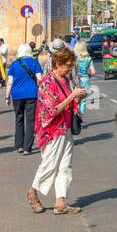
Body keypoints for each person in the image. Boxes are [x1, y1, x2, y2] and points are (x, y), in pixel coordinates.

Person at [27, 47, 87, 215]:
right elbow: (51, 111)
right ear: (57, 64)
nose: (69, 69)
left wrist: (77, 97)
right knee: (50, 164)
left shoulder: (65, 80)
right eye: (67, 65)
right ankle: (33, 191)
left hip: (65, 127)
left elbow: (67, 102)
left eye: (71, 66)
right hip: (52, 130)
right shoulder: (47, 83)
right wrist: (72, 96)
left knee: (65, 166)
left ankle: (60, 202)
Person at [6, 43, 43, 155]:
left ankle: (19, 145)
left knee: (19, 119)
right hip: (32, 94)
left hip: (17, 95)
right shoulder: (35, 62)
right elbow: (40, 79)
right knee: (31, 121)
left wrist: (7, 96)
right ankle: (27, 147)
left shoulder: (14, 64)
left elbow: (10, 82)